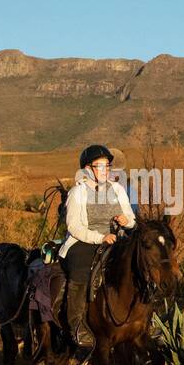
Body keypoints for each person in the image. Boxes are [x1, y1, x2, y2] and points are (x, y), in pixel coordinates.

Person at [58, 144, 135, 348]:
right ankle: (76, 324)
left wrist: (127, 221)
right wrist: (100, 238)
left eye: (107, 166)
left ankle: (142, 318)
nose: (105, 170)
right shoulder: (78, 192)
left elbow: (132, 218)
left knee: (137, 263)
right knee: (81, 267)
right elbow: (73, 226)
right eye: (99, 166)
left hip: (116, 239)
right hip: (83, 241)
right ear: (87, 169)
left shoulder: (117, 189)